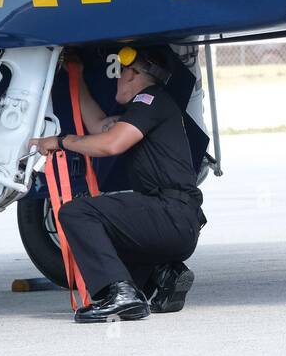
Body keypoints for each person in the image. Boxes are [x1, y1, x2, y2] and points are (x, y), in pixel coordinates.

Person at [29, 45, 206, 323]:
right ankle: (164, 273)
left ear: (134, 74)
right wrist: (77, 76)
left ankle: (122, 295)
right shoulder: (147, 110)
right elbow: (99, 126)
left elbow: (111, 144)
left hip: (170, 214)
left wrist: (60, 141)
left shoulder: (149, 100)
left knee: (78, 213)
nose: (118, 79)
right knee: (113, 234)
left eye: (122, 72)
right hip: (176, 222)